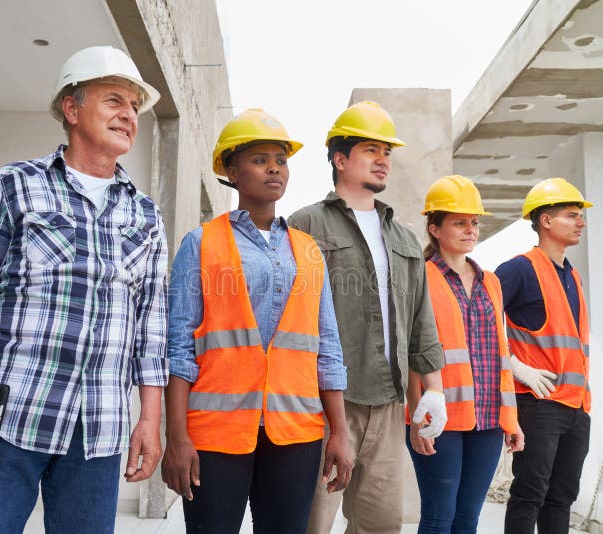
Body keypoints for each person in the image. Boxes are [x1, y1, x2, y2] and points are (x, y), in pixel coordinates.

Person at [0, 46, 168, 533]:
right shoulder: (15, 185)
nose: (128, 114)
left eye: (134, 107)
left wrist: (150, 419)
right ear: (71, 109)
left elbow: (151, 325)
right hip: (10, 414)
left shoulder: (145, 215)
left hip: (97, 425)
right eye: (113, 100)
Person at [163, 108, 353, 534]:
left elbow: (327, 347)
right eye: (259, 159)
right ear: (231, 170)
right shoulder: (201, 243)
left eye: (281, 160)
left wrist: (339, 432)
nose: (274, 168)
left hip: (296, 432)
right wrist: (176, 438)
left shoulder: (308, 251)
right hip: (217, 432)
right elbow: (178, 349)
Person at [288, 100, 446, 534]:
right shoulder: (304, 226)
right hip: (323, 404)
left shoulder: (403, 237)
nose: (383, 161)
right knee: (312, 523)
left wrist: (432, 392)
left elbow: (420, 319)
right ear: (340, 159)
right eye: (371, 150)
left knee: (380, 525)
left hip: (389, 405)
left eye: (388, 152)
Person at [405, 175, 525, 533]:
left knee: (467, 519)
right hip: (439, 418)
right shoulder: (420, 277)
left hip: (487, 417)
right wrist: (415, 418)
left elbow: (500, 355)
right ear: (435, 229)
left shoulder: (492, 282)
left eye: (474, 222)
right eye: (459, 222)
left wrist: (511, 419)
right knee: (439, 518)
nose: (470, 229)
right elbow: (412, 351)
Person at [497, 178, 593, 534]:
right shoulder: (519, 270)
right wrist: (515, 366)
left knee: (562, 497)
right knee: (529, 495)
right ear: (546, 221)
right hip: (539, 404)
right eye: (572, 215)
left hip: (576, 406)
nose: (580, 222)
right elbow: (477, 318)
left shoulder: (573, 275)